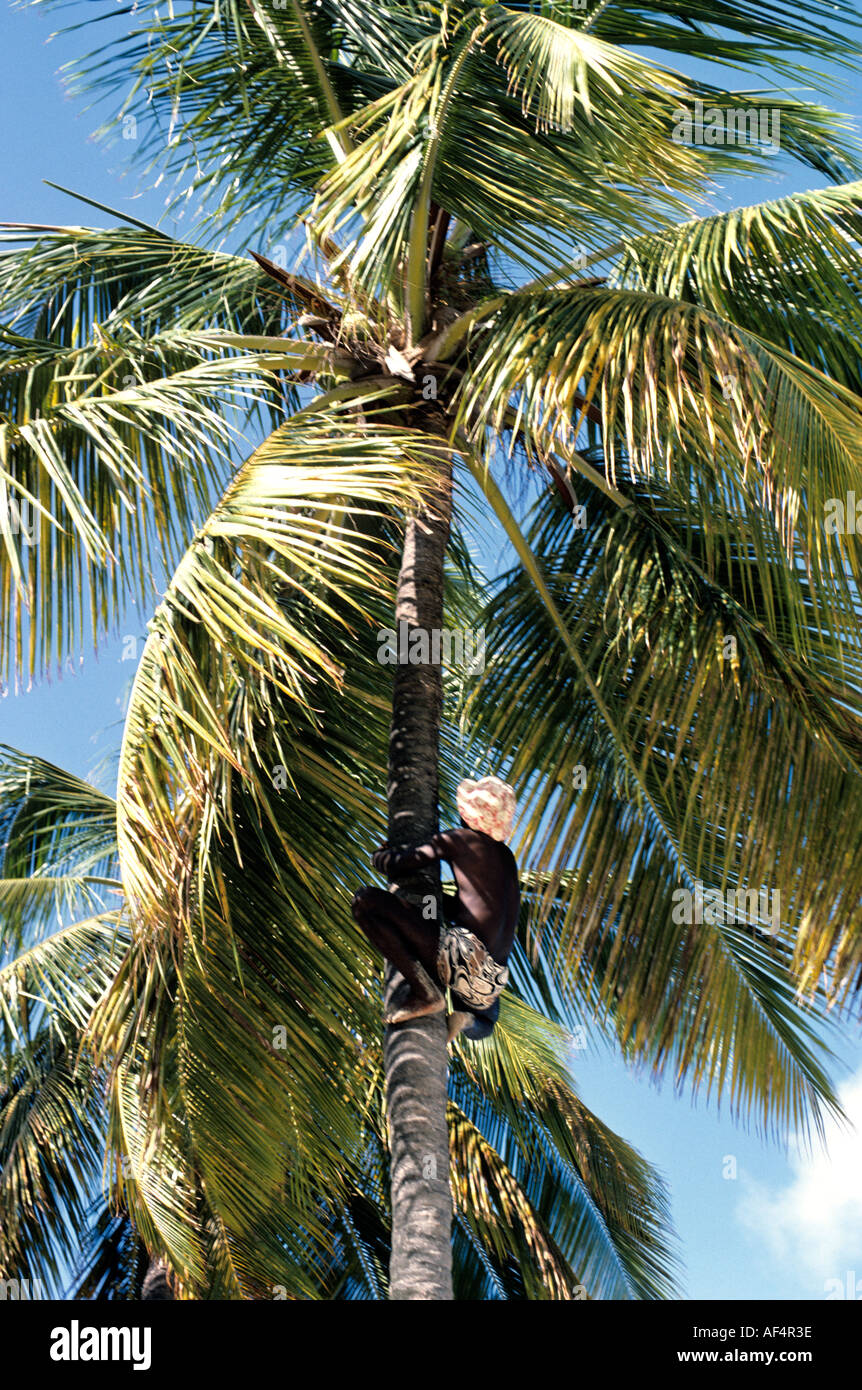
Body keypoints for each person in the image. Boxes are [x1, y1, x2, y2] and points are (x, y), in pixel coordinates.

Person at [351, 776, 519, 1042]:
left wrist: (379, 856)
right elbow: (471, 909)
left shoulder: (459, 839)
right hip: (493, 982)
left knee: (364, 901)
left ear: (468, 814)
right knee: (486, 1021)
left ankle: (424, 993)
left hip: (463, 962)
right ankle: (467, 1020)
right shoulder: (508, 860)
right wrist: (437, 897)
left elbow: (401, 863)